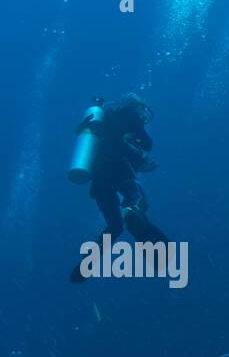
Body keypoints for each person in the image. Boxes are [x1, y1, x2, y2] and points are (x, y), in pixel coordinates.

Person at [69, 93, 166, 281]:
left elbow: (110, 144)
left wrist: (139, 163)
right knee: (136, 203)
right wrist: (139, 154)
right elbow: (148, 144)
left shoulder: (103, 120)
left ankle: (85, 266)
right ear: (134, 106)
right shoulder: (130, 116)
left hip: (99, 178)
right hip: (121, 170)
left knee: (114, 225)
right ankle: (144, 231)